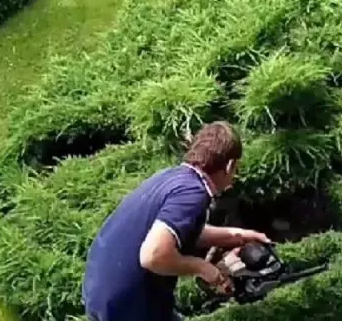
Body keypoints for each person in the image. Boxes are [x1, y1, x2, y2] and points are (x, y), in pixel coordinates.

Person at [82, 121, 270, 321]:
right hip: (130, 308)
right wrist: (202, 267)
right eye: (236, 168)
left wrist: (236, 236)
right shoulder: (193, 194)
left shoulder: (174, 177)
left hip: (101, 294)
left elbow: (178, 232)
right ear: (229, 165)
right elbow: (153, 255)